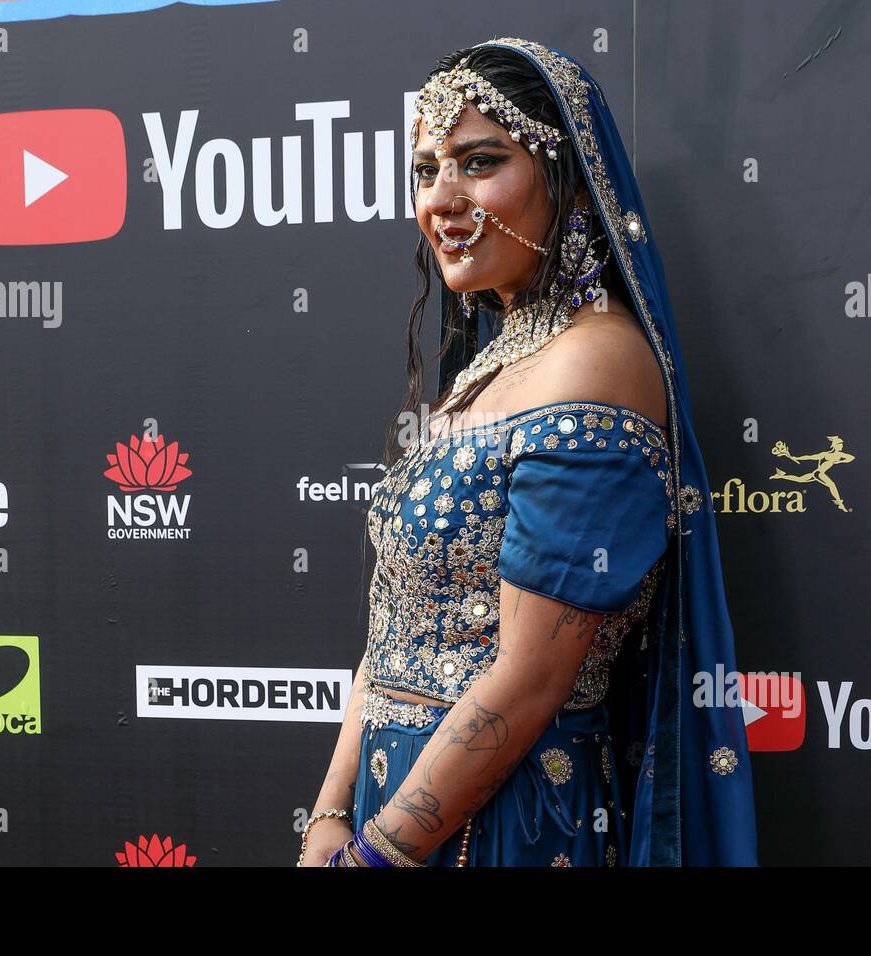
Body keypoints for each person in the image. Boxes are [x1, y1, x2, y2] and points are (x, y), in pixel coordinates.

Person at [299, 36, 758, 867]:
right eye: (426, 170)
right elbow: (390, 626)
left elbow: (532, 677)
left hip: (508, 818)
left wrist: (379, 854)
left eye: (480, 163)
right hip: (392, 808)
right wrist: (329, 813)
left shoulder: (595, 363)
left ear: (571, 183)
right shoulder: (488, 367)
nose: (443, 199)